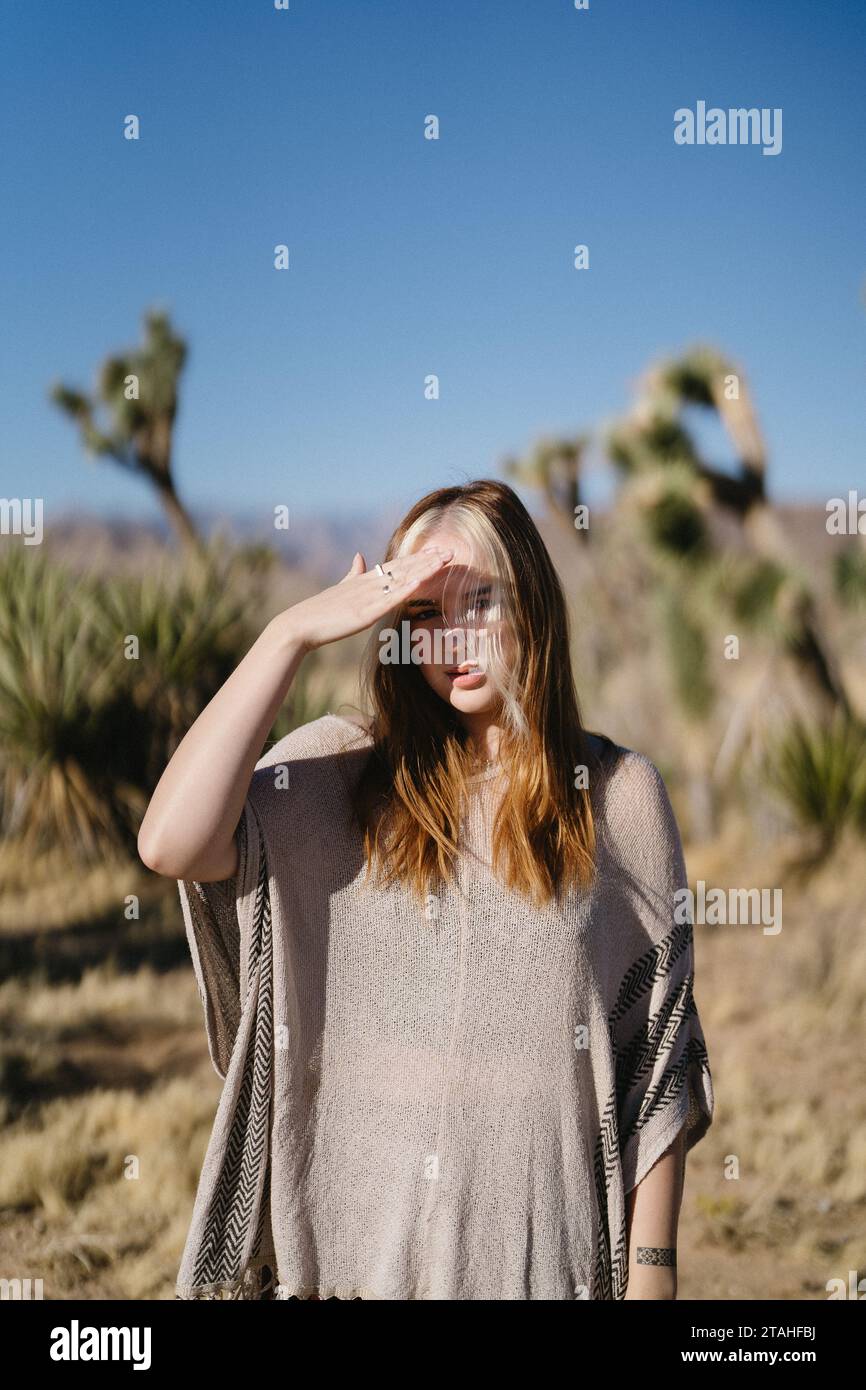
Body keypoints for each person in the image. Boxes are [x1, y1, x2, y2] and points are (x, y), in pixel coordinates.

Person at [138, 478, 714, 1300]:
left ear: (536, 605)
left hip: (541, 1271)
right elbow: (170, 842)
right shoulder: (338, 776)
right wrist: (290, 634)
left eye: (480, 601)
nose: (454, 641)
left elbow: (657, 1064)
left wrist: (653, 1280)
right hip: (348, 1273)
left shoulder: (618, 795)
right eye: (424, 616)